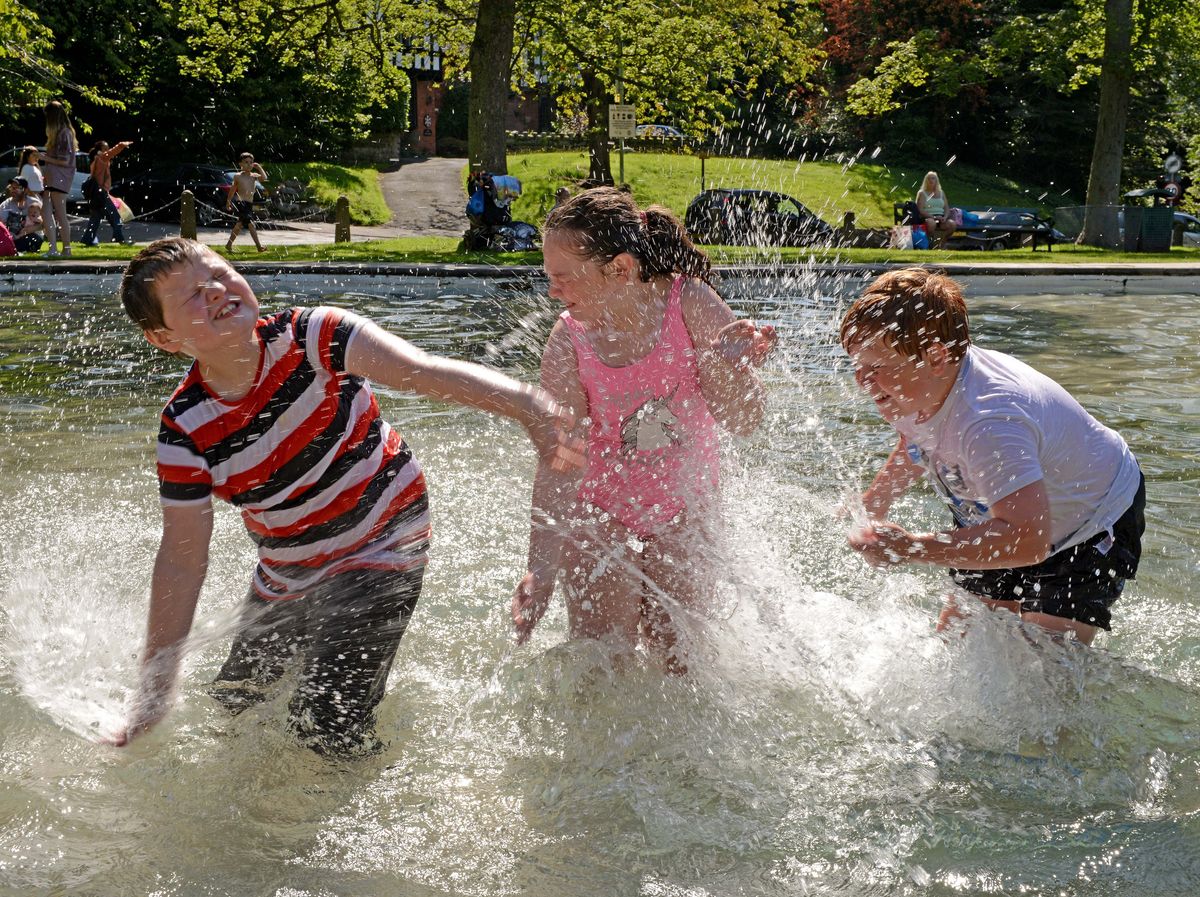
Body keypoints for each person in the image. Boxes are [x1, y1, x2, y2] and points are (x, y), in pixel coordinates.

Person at [110, 237, 584, 754]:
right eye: (192, 296)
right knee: (236, 708)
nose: (217, 292)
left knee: (326, 727)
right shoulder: (185, 429)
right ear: (165, 338)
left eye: (218, 273)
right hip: (289, 568)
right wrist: (153, 693)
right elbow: (182, 561)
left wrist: (526, 405)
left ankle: (359, 802)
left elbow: (421, 371)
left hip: (383, 537)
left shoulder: (314, 335)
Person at [512, 187, 777, 672]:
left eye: (563, 278)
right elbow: (560, 459)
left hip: (685, 506)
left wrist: (722, 364)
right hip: (600, 507)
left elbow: (746, 422)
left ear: (621, 269)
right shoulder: (568, 341)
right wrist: (540, 567)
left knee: (680, 663)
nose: (552, 292)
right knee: (601, 661)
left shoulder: (689, 304)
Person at [841, 267, 1145, 646]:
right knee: (956, 644)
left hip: (1092, 524)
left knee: (1041, 675)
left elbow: (1029, 541)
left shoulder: (990, 421)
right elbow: (917, 438)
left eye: (876, 368)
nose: (863, 381)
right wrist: (875, 501)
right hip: (997, 513)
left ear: (934, 356)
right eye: (857, 366)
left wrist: (910, 547)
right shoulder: (917, 385)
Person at [41, 100, 77, 258]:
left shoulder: (64, 133)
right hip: (52, 178)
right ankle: (53, 248)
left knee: (60, 214)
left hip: (60, 178)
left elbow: (65, 161)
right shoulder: (60, 133)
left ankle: (66, 249)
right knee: (46, 212)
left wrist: (45, 158)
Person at [81, 139, 133, 246]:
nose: (107, 150)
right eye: (105, 149)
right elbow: (111, 153)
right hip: (101, 193)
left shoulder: (97, 159)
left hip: (97, 194)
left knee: (95, 218)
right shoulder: (101, 158)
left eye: (107, 148)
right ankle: (119, 238)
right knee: (115, 216)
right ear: (99, 150)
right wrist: (121, 145)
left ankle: (87, 239)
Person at [225, 152, 267, 252]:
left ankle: (229, 244)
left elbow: (264, 178)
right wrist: (228, 201)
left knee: (239, 225)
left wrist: (259, 167)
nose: (249, 164)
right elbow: (232, 189)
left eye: (251, 162)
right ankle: (259, 247)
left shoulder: (253, 176)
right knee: (250, 224)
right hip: (241, 203)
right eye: (246, 162)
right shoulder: (238, 176)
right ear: (241, 164)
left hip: (249, 204)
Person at [0, 177, 45, 253]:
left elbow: (44, 224)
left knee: (30, 239)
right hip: (12, 237)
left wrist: (22, 233)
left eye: (17, 188)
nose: (13, 190)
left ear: (25, 190)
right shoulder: (6, 204)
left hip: (32, 236)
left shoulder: (34, 203)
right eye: (12, 187)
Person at [916, 171, 956, 249]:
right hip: (927, 217)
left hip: (941, 218)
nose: (931, 180)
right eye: (928, 178)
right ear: (925, 180)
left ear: (936, 180)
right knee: (931, 223)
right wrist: (934, 217)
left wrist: (945, 217)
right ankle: (930, 243)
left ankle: (942, 243)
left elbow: (947, 208)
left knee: (952, 224)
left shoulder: (941, 193)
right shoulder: (922, 193)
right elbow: (920, 210)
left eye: (933, 178)